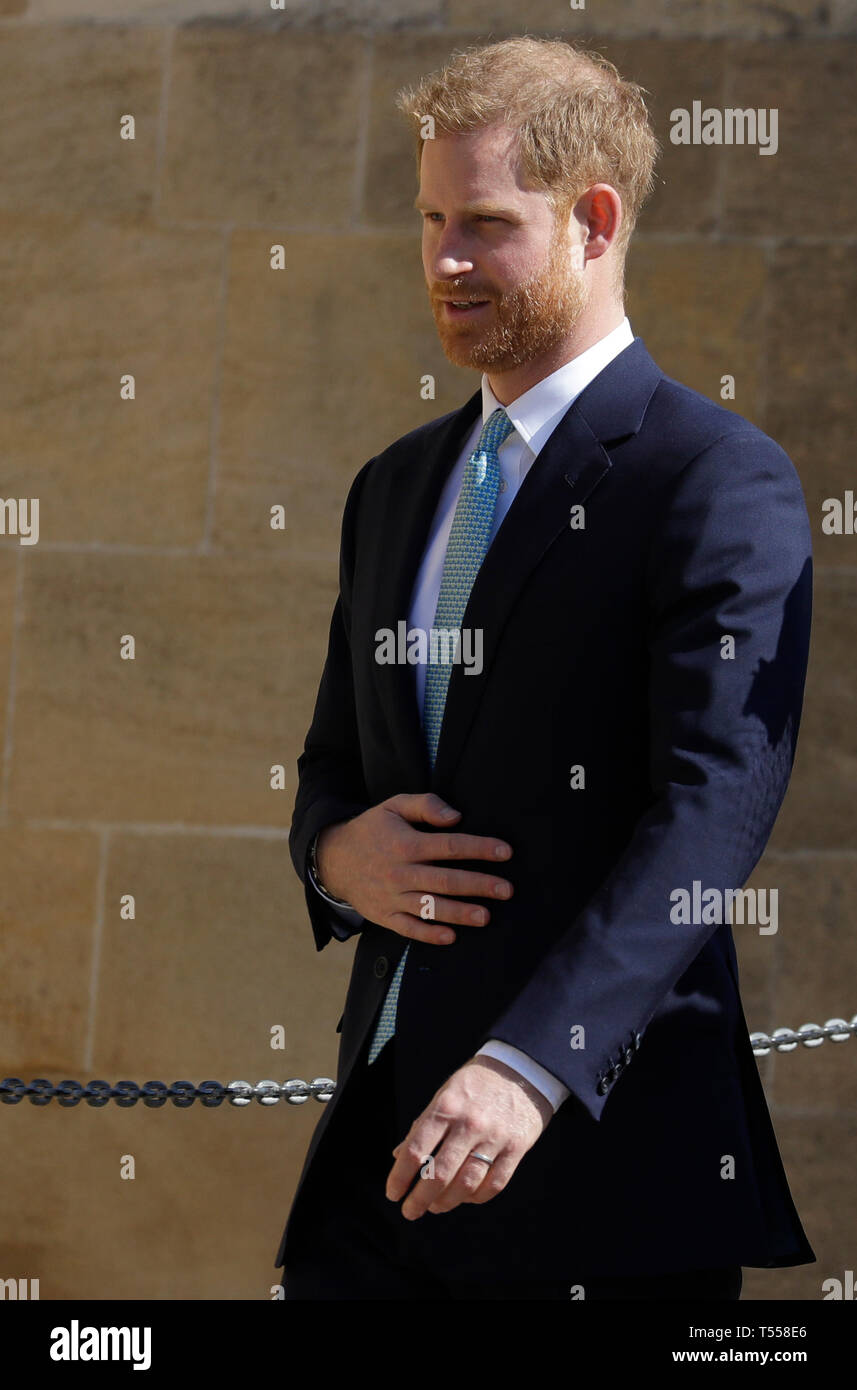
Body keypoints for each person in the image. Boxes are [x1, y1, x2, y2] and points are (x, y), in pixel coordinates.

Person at [275, 35, 815, 1300]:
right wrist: (333, 858)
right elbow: (333, 765)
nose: (442, 260)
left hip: (598, 1179)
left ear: (594, 221)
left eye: (484, 224)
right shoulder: (393, 487)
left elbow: (710, 813)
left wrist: (530, 1063)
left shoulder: (714, 478)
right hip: (376, 1172)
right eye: (428, 220)